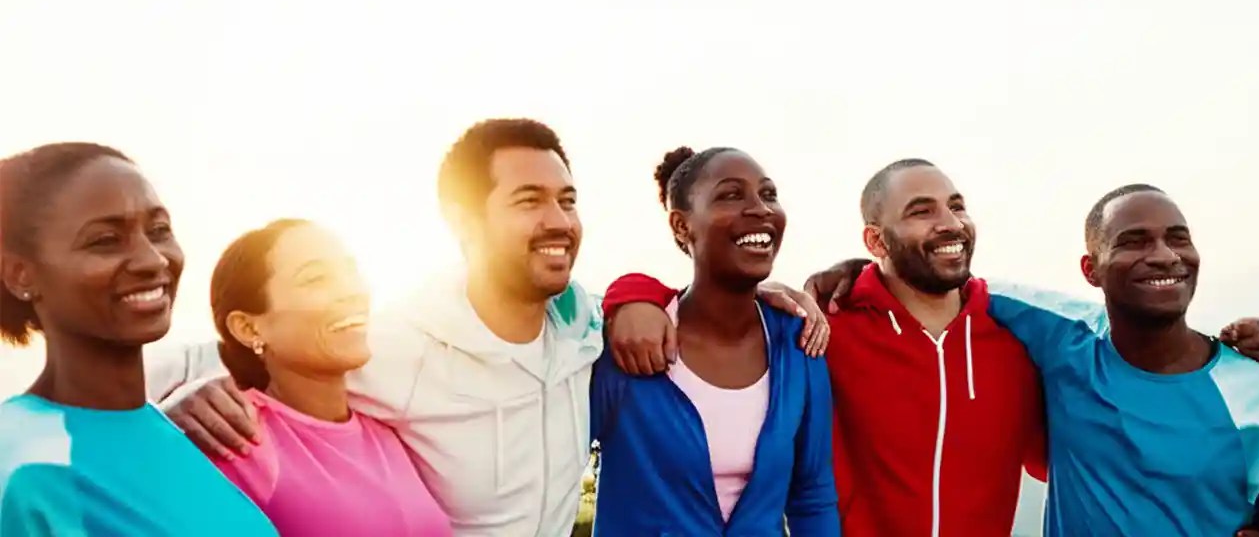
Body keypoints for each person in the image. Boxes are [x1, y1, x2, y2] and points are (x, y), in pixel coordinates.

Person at [148, 119, 829, 536]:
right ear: (465, 222)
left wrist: (645, 295)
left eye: (566, 199)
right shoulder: (401, 341)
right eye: (528, 201)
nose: (558, 221)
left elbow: (647, 297)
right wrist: (183, 394)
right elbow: (279, 347)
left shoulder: (586, 331)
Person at [605, 158, 1259, 537]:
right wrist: (631, 293)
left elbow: (1142, 341)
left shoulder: (1020, 334)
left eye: (956, 204)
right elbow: (719, 309)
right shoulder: (825, 327)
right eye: (922, 210)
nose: (950, 221)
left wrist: (1248, 349)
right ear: (876, 242)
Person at [0, 142, 276, 536]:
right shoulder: (24, 466)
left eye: (159, 231)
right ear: (21, 275)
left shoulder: (174, 433)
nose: (153, 260)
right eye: (105, 240)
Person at [974, 185, 1259, 536]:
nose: (1165, 256)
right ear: (1091, 270)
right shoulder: (1065, 339)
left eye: (1178, 239)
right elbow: (945, 282)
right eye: (1134, 241)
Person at [590, 147, 838, 535]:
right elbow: (556, 475)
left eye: (768, 194)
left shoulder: (799, 344)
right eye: (731, 195)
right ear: (681, 226)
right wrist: (626, 294)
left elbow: (813, 492)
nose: (760, 209)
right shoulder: (627, 347)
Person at [207, 219, 451, 535]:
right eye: (316, 279)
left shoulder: (387, 427)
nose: (351, 291)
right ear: (248, 328)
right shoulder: (235, 437)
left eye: (351, 271)